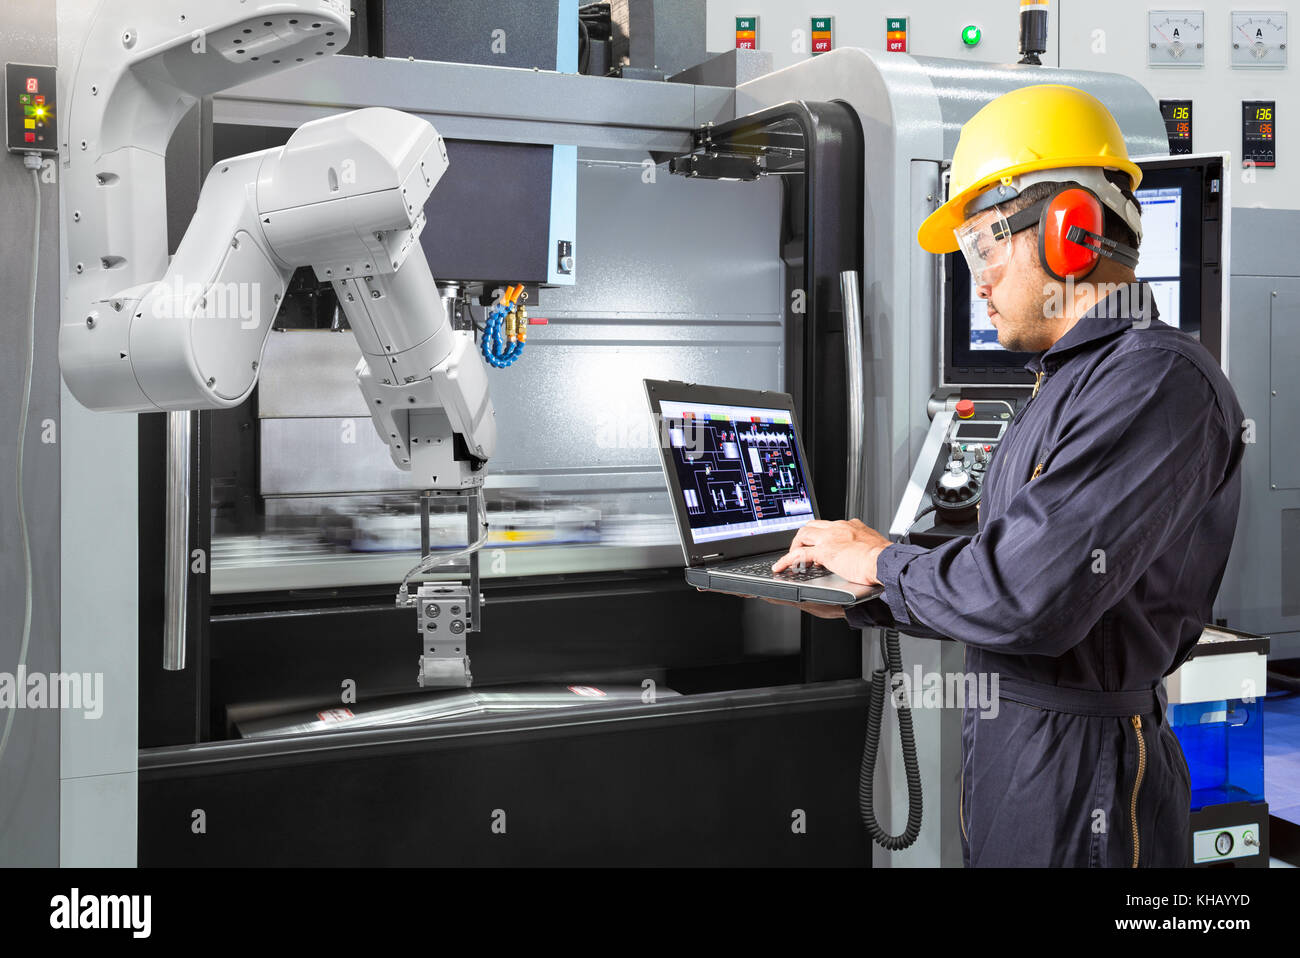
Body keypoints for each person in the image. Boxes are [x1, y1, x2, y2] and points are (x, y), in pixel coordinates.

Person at [767, 85, 1245, 867]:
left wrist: (881, 563)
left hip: (1083, 775)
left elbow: (1027, 598)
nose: (977, 280)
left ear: (1069, 232)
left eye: (986, 246)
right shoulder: (1061, 384)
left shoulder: (1158, 380)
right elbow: (1001, 565)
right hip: (1023, 752)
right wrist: (865, 586)